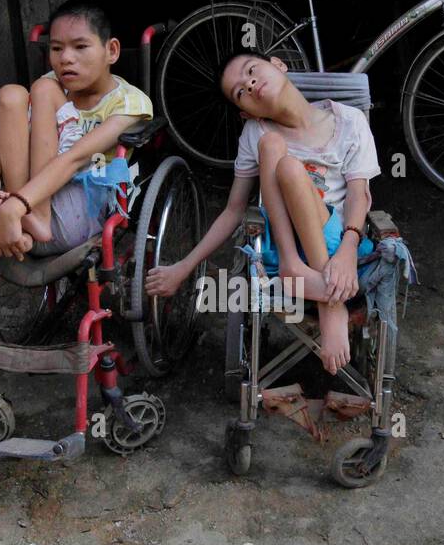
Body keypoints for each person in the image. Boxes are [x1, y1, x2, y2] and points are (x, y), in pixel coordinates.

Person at [145, 51, 377, 374]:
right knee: (272, 147)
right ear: (244, 113)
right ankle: (320, 294)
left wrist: (349, 250)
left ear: (279, 64)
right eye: (240, 92)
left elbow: (359, 195)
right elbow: (233, 210)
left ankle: (324, 297)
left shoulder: (350, 121)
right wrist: (183, 268)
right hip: (279, 250)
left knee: (290, 169)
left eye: (251, 70)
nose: (250, 84)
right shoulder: (255, 132)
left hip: (336, 246)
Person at [0, 0, 152, 260]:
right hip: (23, 201)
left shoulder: (129, 103)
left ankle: (31, 214)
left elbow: (74, 159)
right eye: (56, 48)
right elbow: (13, 137)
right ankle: (30, 215)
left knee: (42, 91)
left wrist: (14, 206)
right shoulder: (51, 85)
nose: (65, 58)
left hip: (79, 210)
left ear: (111, 50)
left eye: (80, 46)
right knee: (11, 95)